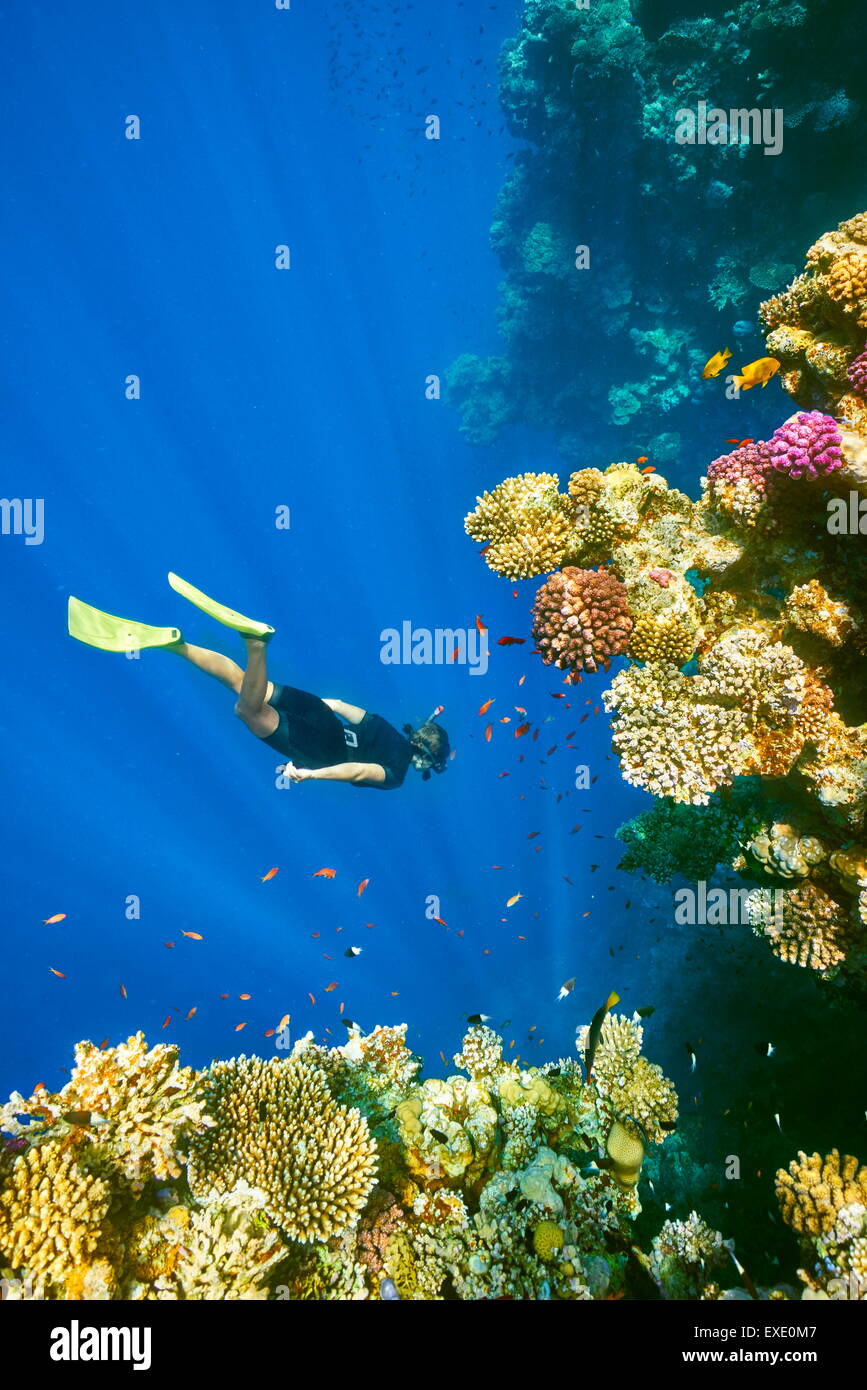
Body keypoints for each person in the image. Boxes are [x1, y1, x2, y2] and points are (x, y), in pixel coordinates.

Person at [67, 572, 450, 791]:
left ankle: (176, 645)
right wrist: (310, 772)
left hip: (317, 713)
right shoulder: (398, 773)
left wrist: (303, 710)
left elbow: (333, 704)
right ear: (425, 758)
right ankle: (255, 644)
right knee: (247, 711)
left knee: (244, 684)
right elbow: (360, 771)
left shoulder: (382, 726)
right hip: (320, 746)